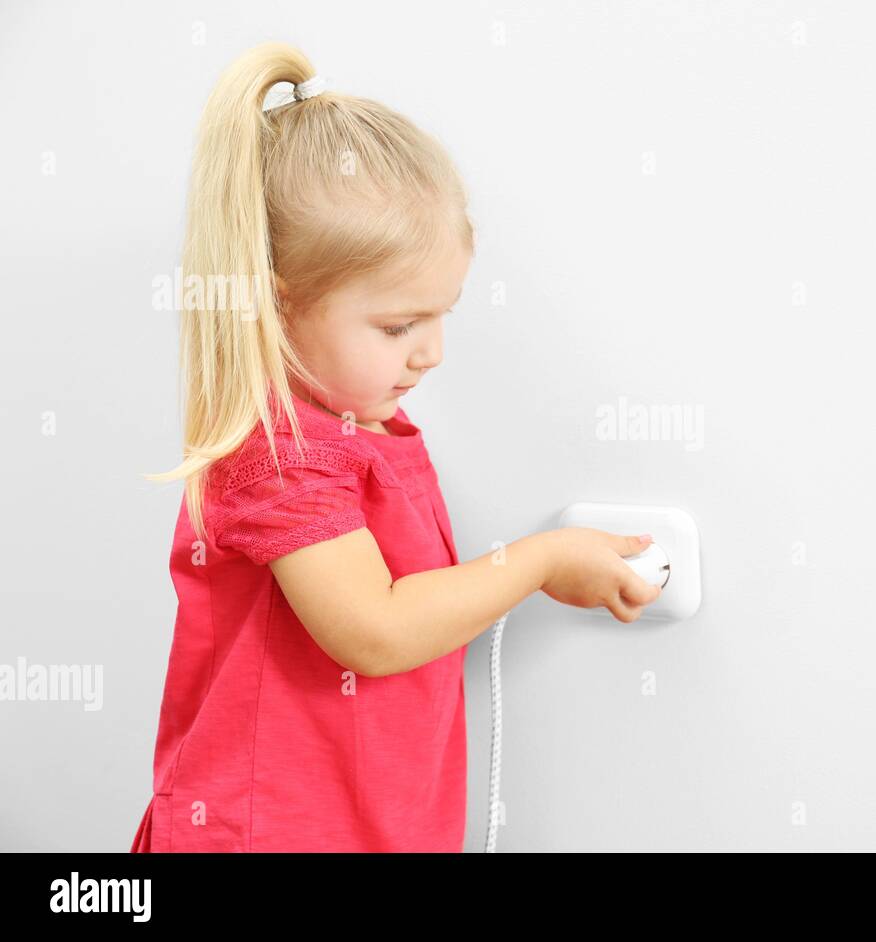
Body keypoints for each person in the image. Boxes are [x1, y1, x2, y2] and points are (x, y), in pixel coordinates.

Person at [129, 41, 660, 853]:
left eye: (441, 314)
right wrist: (542, 560)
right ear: (276, 309)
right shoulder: (280, 457)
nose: (431, 352)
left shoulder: (366, 426)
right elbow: (373, 630)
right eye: (398, 326)